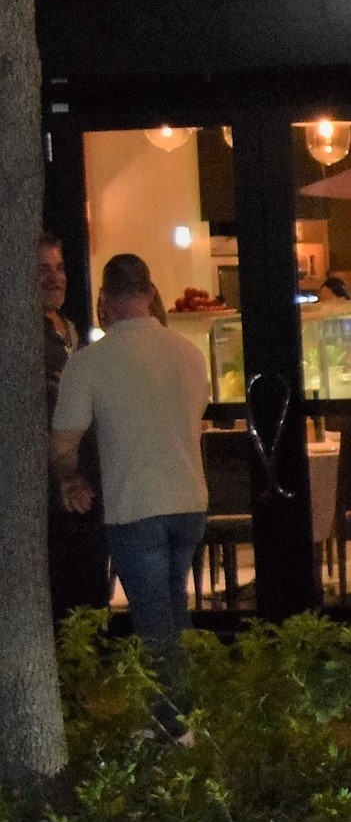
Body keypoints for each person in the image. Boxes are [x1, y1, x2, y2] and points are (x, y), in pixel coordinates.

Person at [51, 254, 211, 700]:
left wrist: (71, 479)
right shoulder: (190, 355)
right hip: (190, 501)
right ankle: (190, 708)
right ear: (151, 293)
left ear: (104, 298)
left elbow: (63, 442)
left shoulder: (90, 363)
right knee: (174, 605)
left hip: (135, 506)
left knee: (154, 619)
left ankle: (172, 720)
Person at [39, 232, 109, 616]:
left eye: (60, 267)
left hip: (88, 472)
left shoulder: (71, 330)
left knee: (89, 583)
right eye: (43, 269)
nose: (55, 278)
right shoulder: (26, 334)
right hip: (49, 480)